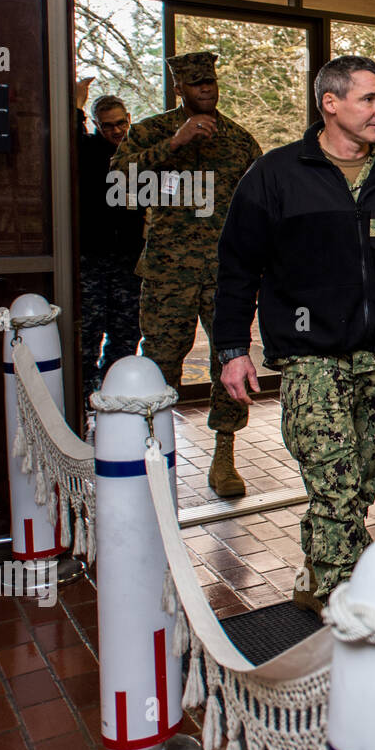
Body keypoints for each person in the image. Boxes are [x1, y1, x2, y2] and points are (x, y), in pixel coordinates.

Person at [215, 54, 375, 611]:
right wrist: (232, 349)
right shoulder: (275, 175)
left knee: (364, 476)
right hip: (310, 356)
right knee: (333, 475)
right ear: (330, 103)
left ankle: (329, 564)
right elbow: (236, 269)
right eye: (369, 99)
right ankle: (334, 589)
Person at [112, 51, 261, 497]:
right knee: (160, 364)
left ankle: (224, 456)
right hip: (167, 273)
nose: (206, 90)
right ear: (180, 89)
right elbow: (118, 180)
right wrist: (172, 145)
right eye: (196, 84)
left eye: (210, 83)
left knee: (229, 362)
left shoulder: (238, 140)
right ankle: (152, 454)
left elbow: (260, 204)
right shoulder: (152, 132)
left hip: (223, 277)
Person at [74, 81, 142, 395]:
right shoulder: (87, 149)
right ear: (97, 125)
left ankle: (116, 388)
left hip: (130, 258)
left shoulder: (141, 153)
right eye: (108, 126)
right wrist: (76, 105)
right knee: (89, 328)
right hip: (93, 256)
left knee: (127, 329)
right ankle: (87, 389)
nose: (116, 131)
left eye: (121, 123)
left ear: (129, 118)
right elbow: (68, 135)